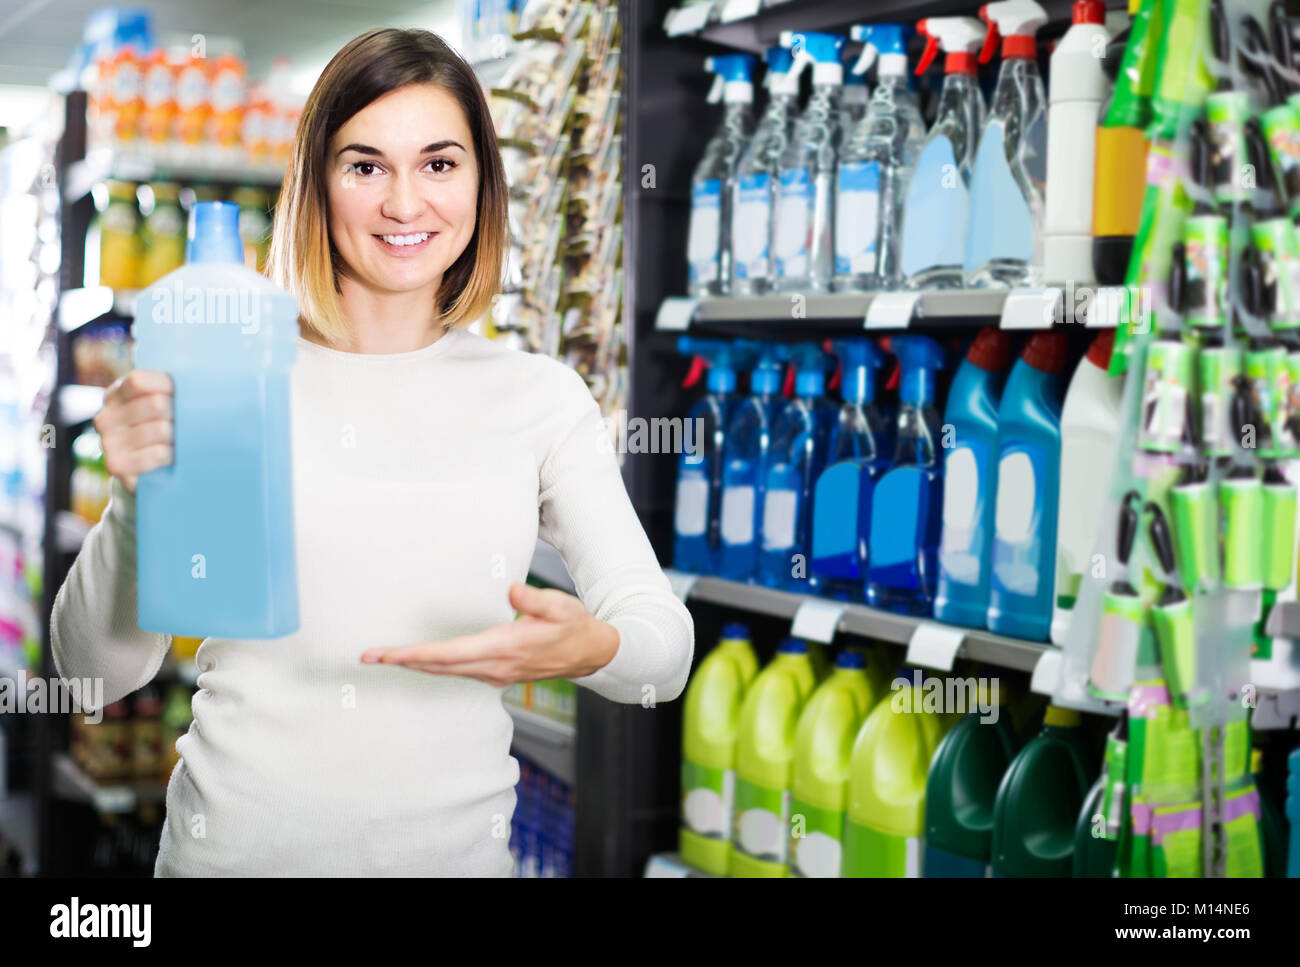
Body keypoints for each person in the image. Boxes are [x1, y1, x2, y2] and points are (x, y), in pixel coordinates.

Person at [51, 27, 694, 876]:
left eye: (438, 163)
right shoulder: (233, 373)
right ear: (315, 183)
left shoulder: (536, 398)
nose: (404, 203)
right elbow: (93, 678)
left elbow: (664, 646)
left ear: (480, 184)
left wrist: (595, 649)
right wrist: (136, 498)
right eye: (365, 165)